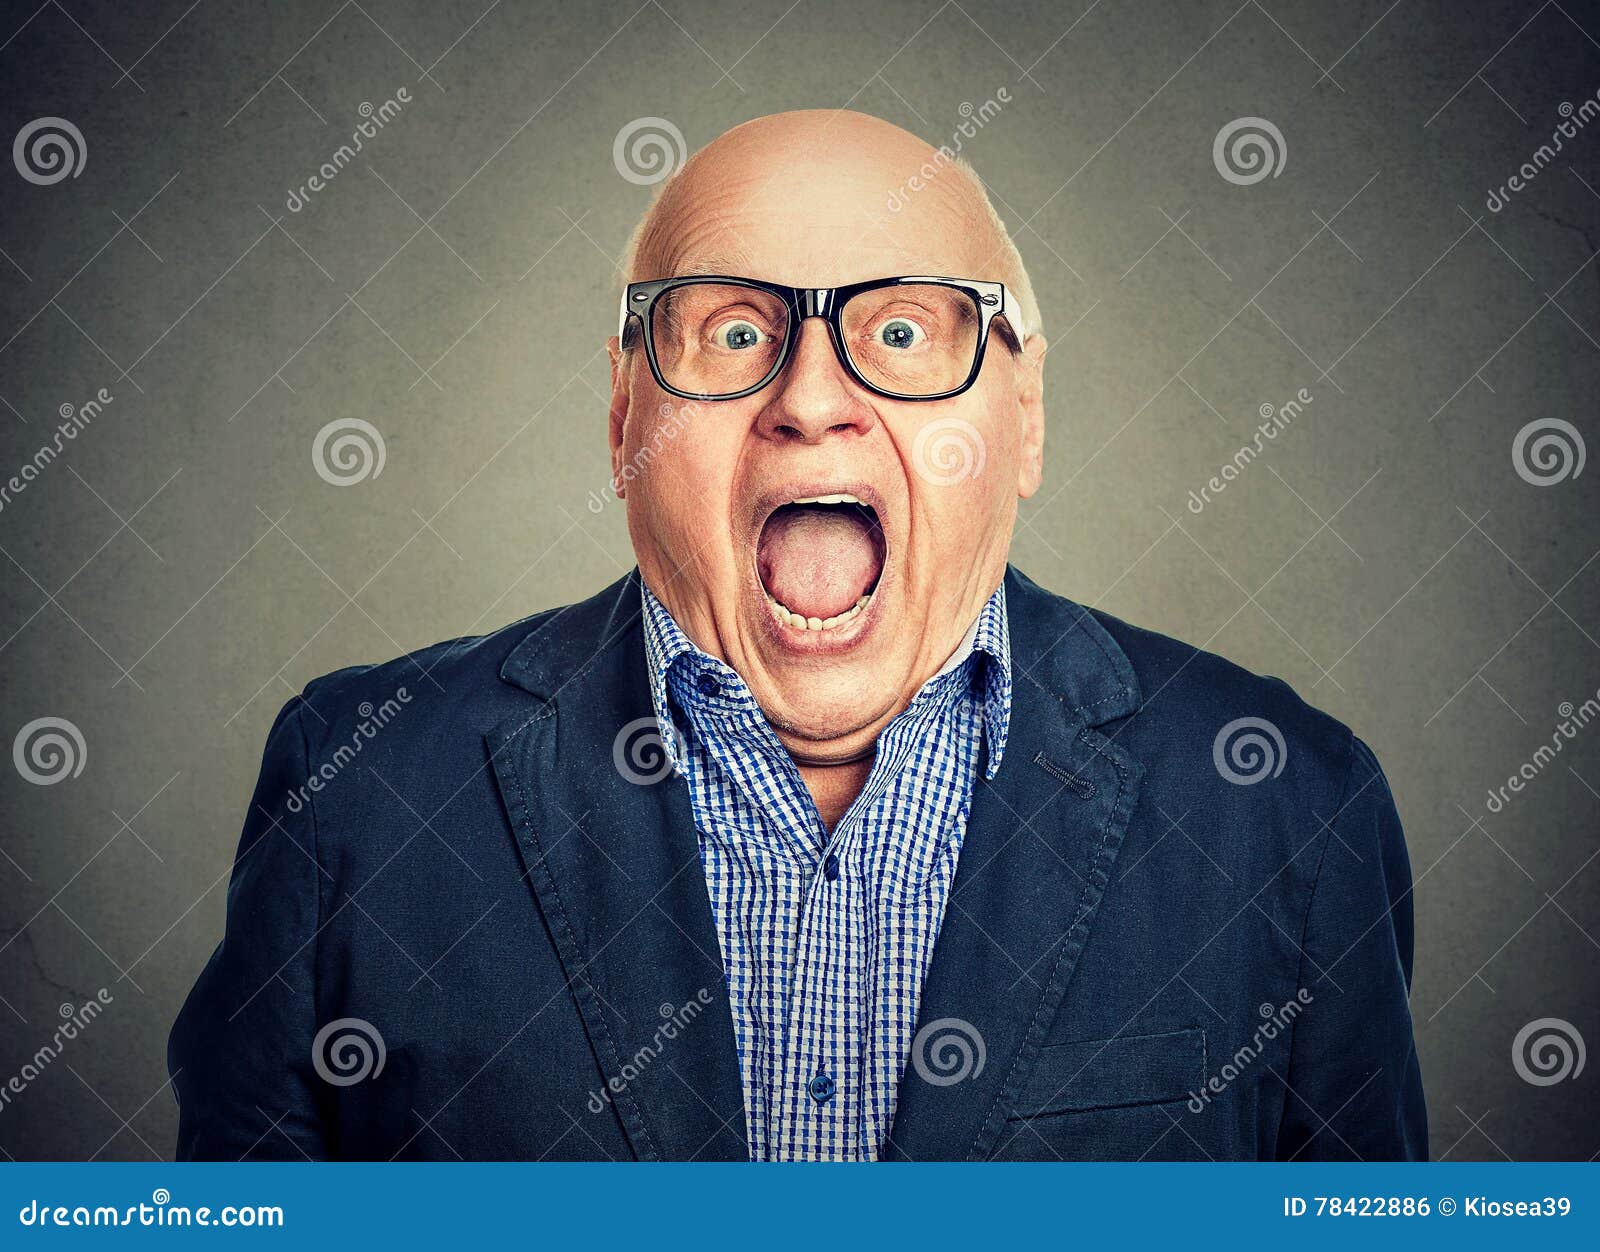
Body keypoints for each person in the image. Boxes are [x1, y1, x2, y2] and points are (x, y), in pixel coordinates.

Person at [170, 110, 1426, 1162]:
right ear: (621, 417)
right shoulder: (361, 790)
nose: (812, 400)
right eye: (732, 332)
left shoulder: (1285, 809)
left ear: (1026, 412)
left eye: (902, 331)